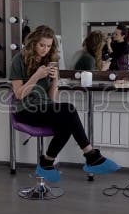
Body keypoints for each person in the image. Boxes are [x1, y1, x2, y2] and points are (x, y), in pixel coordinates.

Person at [10, 25, 120, 182]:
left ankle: (48, 162)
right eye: (42, 45)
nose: (45, 49)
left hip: (44, 107)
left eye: (48, 46)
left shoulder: (49, 61)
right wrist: (36, 76)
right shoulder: (18, 60)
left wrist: (55, 79)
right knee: (69, 110)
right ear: (33, 43)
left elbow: (51, 98)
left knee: (67, 121)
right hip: (24, 110)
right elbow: (19, 94)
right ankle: (90, 156)